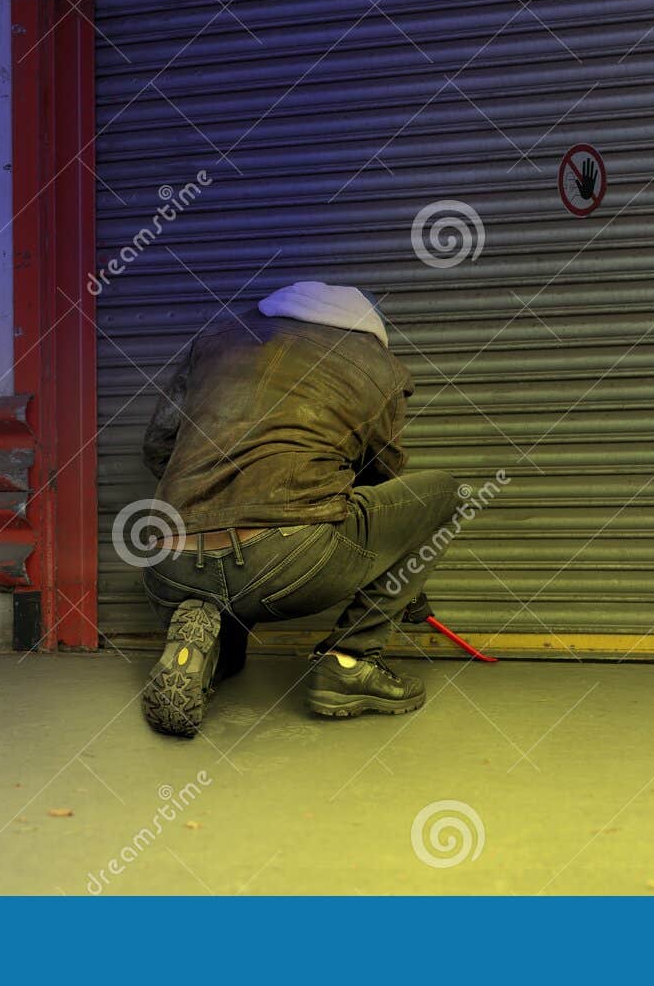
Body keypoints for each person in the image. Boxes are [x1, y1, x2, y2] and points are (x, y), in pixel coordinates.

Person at [138, 280, 461, 738]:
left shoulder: (217, 342)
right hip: (284, 568)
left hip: (168, 565)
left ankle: (215, 648)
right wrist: (402, 580)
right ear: (370, 329)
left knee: (232, 540)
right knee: (444, 494)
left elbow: (157, 448)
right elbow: (382, 481)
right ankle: (351, 662)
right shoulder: (379, 368)